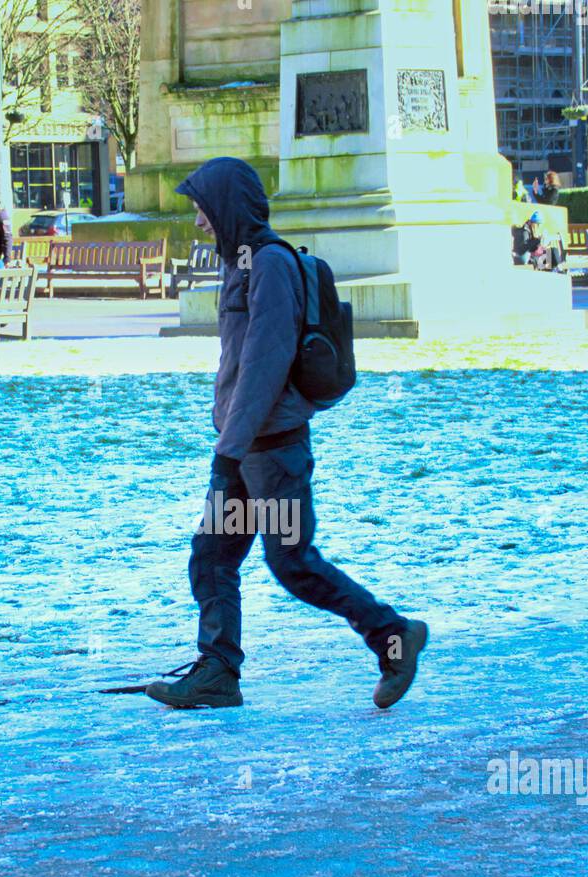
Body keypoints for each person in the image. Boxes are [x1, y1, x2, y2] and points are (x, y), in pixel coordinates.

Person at [143, 156, 428, 711]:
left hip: (270, 455)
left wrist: (228, 451)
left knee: (293, 563)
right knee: (212, 558)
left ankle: (395, 638)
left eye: (203, 209)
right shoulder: (246, 262)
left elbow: (263, 366)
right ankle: (219, 672)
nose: (199, 221)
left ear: (226, 207)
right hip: (249, 452)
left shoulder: (269, 264)